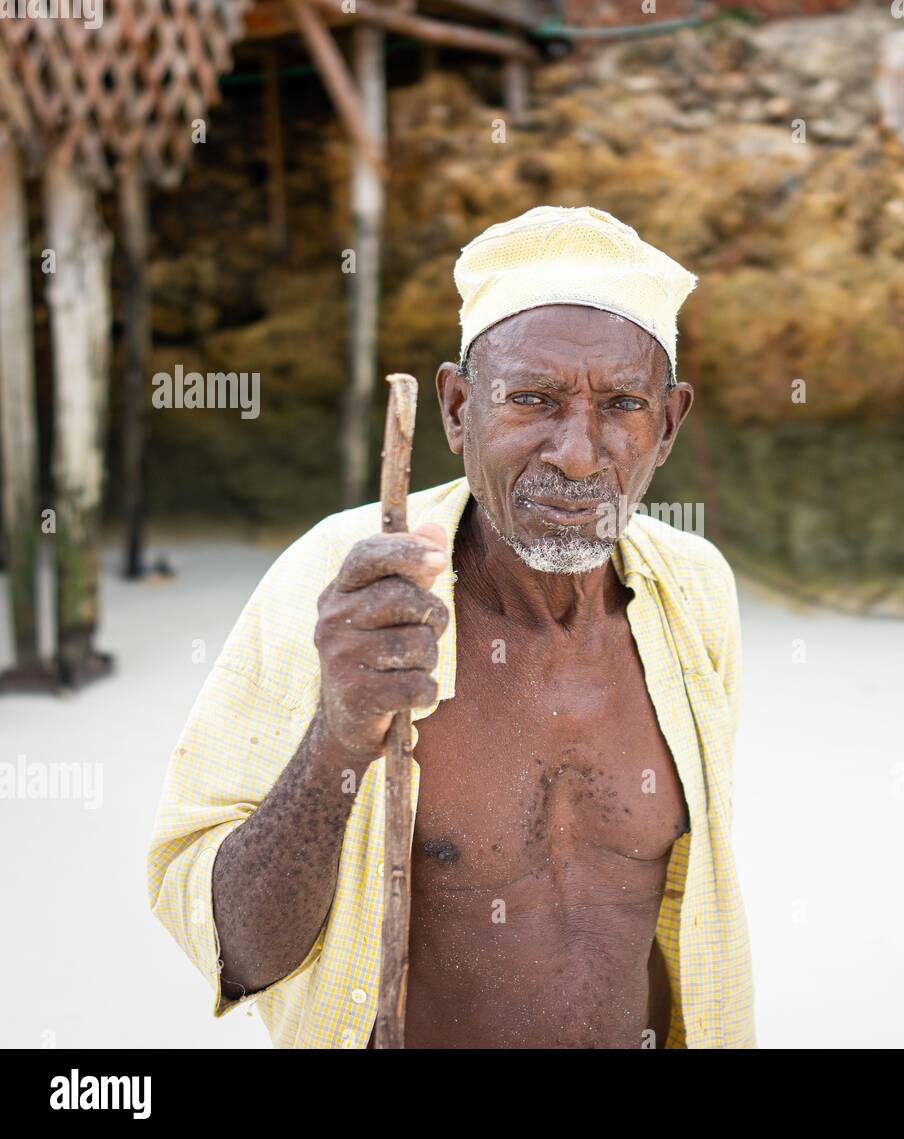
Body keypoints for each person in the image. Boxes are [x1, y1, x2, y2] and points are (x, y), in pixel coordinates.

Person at [146, 205, 754, 1048]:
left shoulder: (694, 592)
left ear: (671, 422)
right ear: (458, 407)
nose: (578, 454)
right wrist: (339, 737)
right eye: (532, 399)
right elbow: (238, 950)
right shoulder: (344, 579)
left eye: (621, 404)